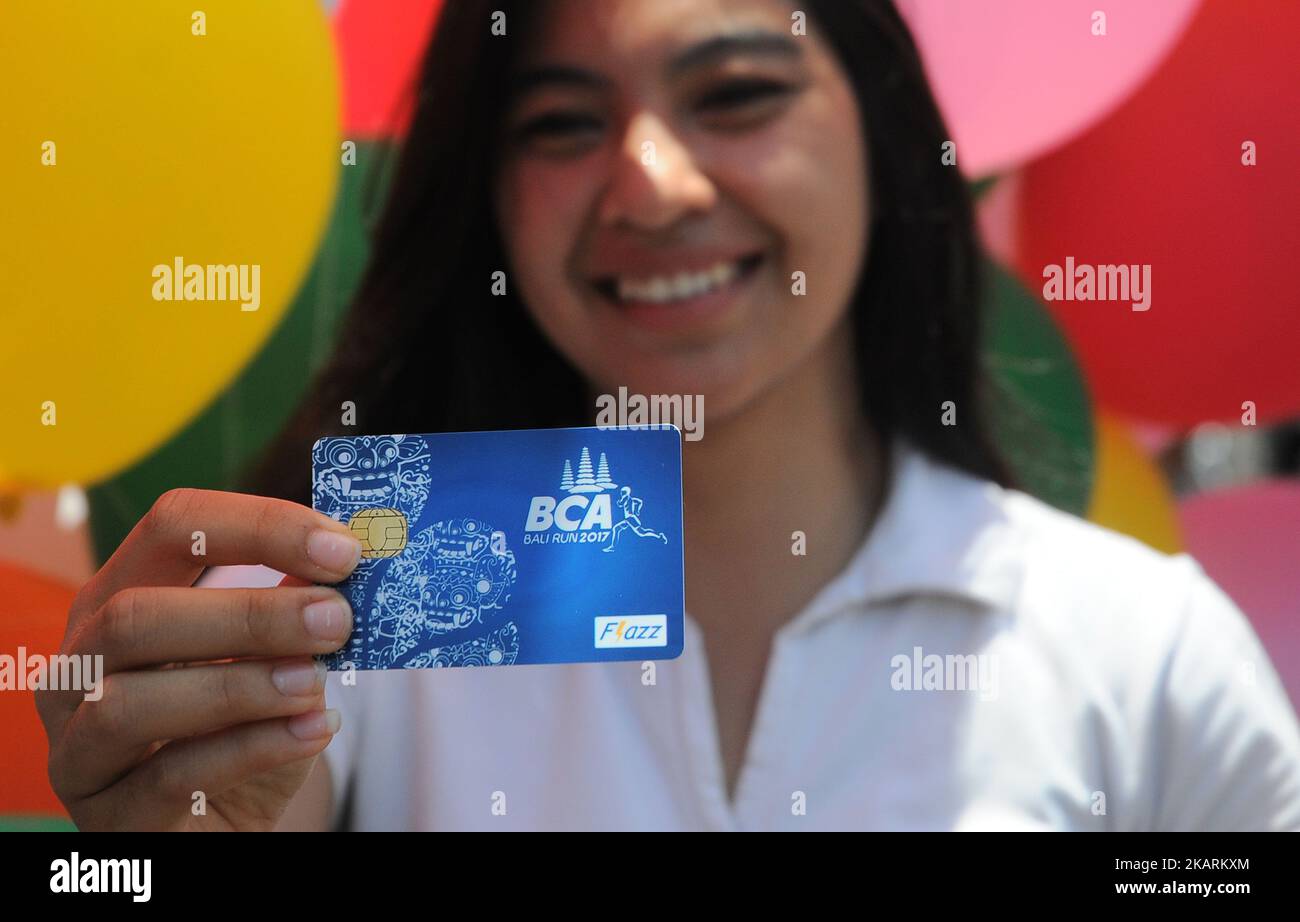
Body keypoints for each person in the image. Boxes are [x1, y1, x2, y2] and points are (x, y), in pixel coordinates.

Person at [39, 0, 1300, 831]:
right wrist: (158, 841)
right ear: (490, 199)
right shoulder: (358, 613)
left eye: (738, 92)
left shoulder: (1149, 658)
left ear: (884, 130)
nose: (648, 178)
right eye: (561, 122)